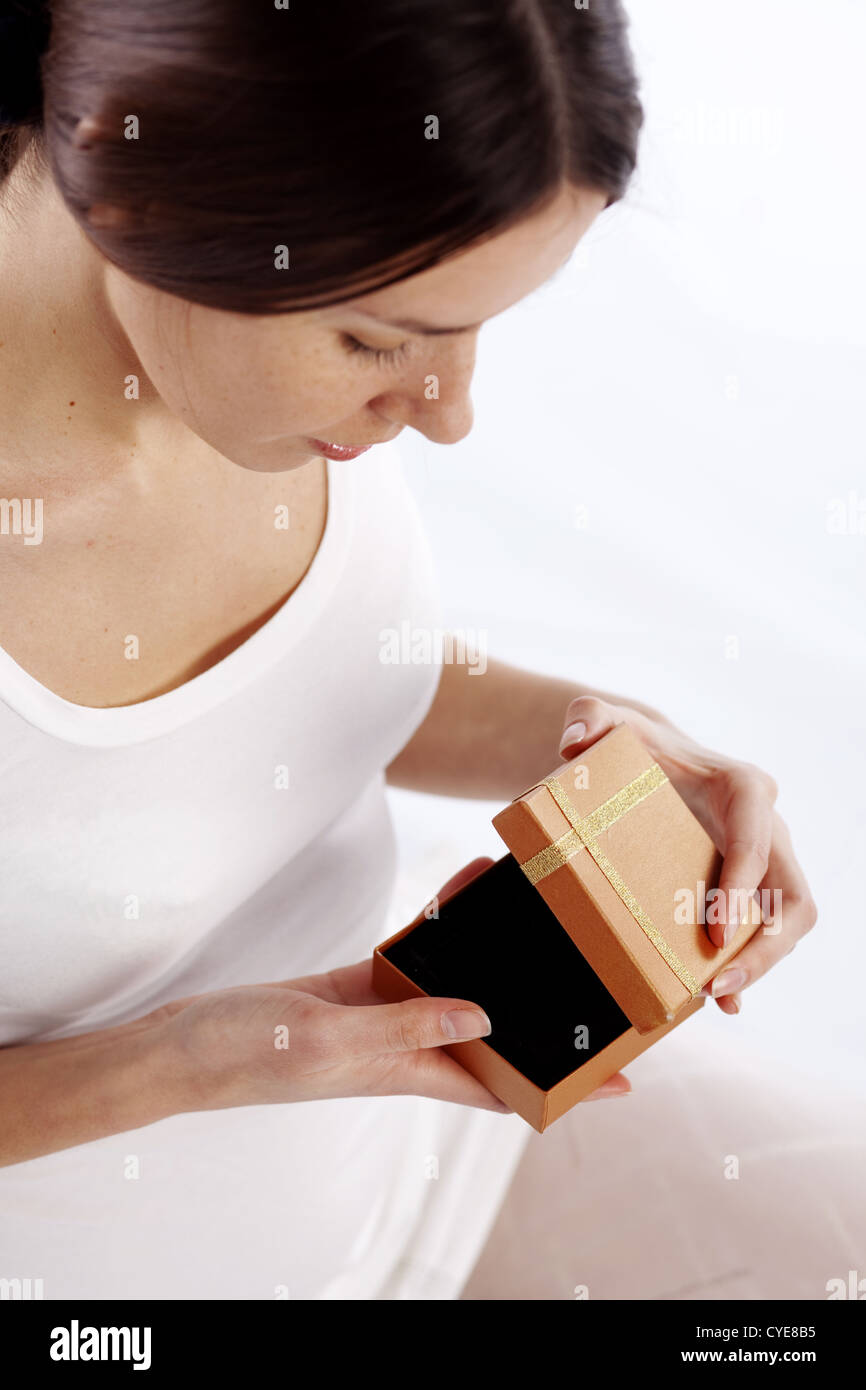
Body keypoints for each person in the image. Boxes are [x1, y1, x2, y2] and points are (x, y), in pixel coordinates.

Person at [0, 0, 816, 1300]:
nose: (449, 416)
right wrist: (183, 1062)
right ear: (146, 199)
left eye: (472, 330)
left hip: (421, 1153)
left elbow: (300, 687)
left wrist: (592, 727)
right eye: (379, 341)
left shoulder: (240, 378)